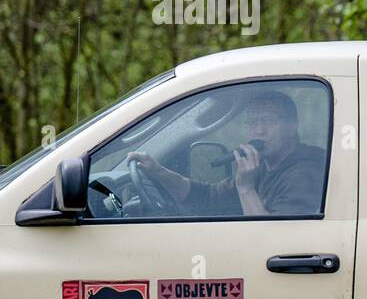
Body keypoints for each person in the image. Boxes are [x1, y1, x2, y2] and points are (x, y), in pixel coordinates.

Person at [128, 91, 326, 216]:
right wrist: (158, 171)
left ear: (292, 126)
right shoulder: (263, 166)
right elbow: (207, 197)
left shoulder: (306, 172)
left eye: (269, 121)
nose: (259, 130)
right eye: (252, 122)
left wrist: (246, 187)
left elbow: (272, 240)